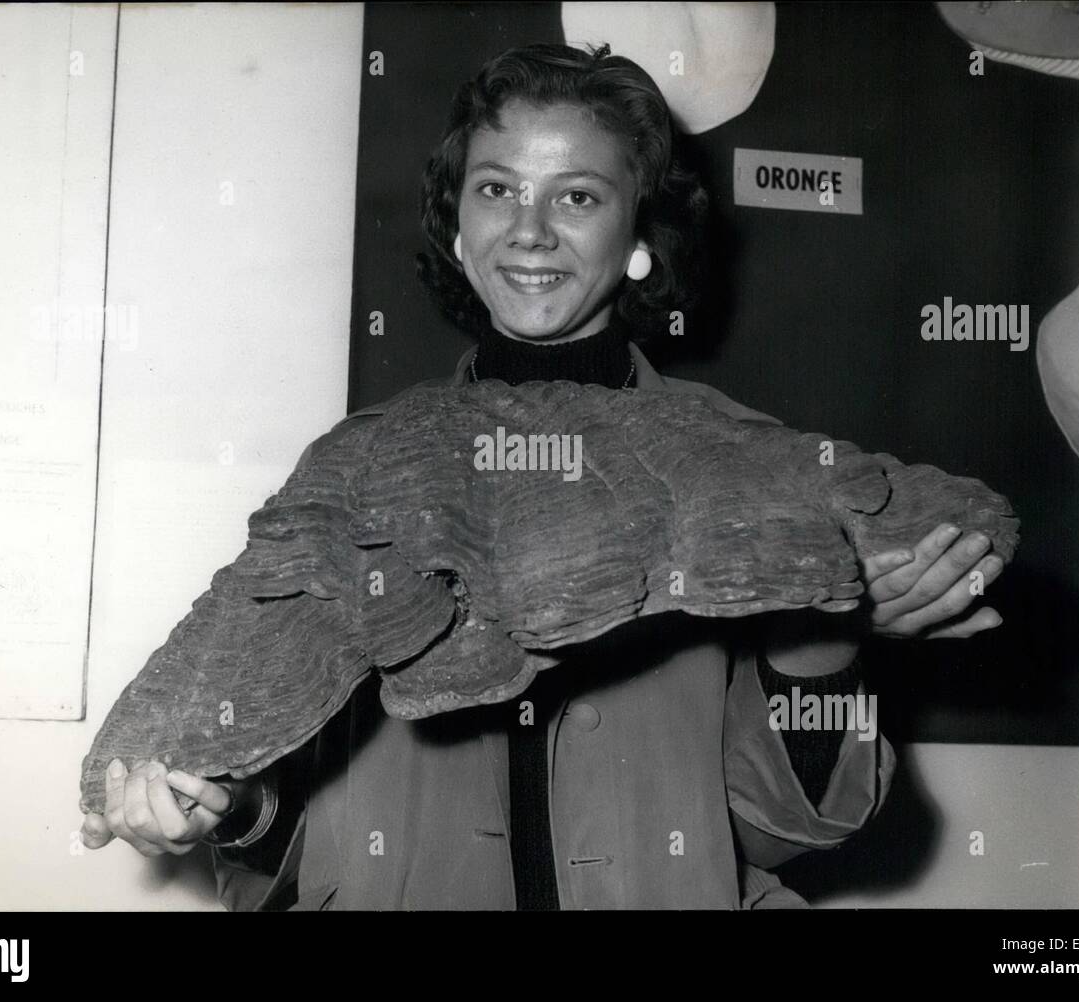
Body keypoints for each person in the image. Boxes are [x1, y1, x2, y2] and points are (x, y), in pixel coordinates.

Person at [81, 43, 1007, 909]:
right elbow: (284, 867)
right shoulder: (354, 475)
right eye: (497, 189)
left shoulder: (746, 468)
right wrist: (230, 809)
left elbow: (791, 832)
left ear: (639, 235)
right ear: (458, 226)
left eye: (576, 197)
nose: (528, 232)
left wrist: (823, 633)